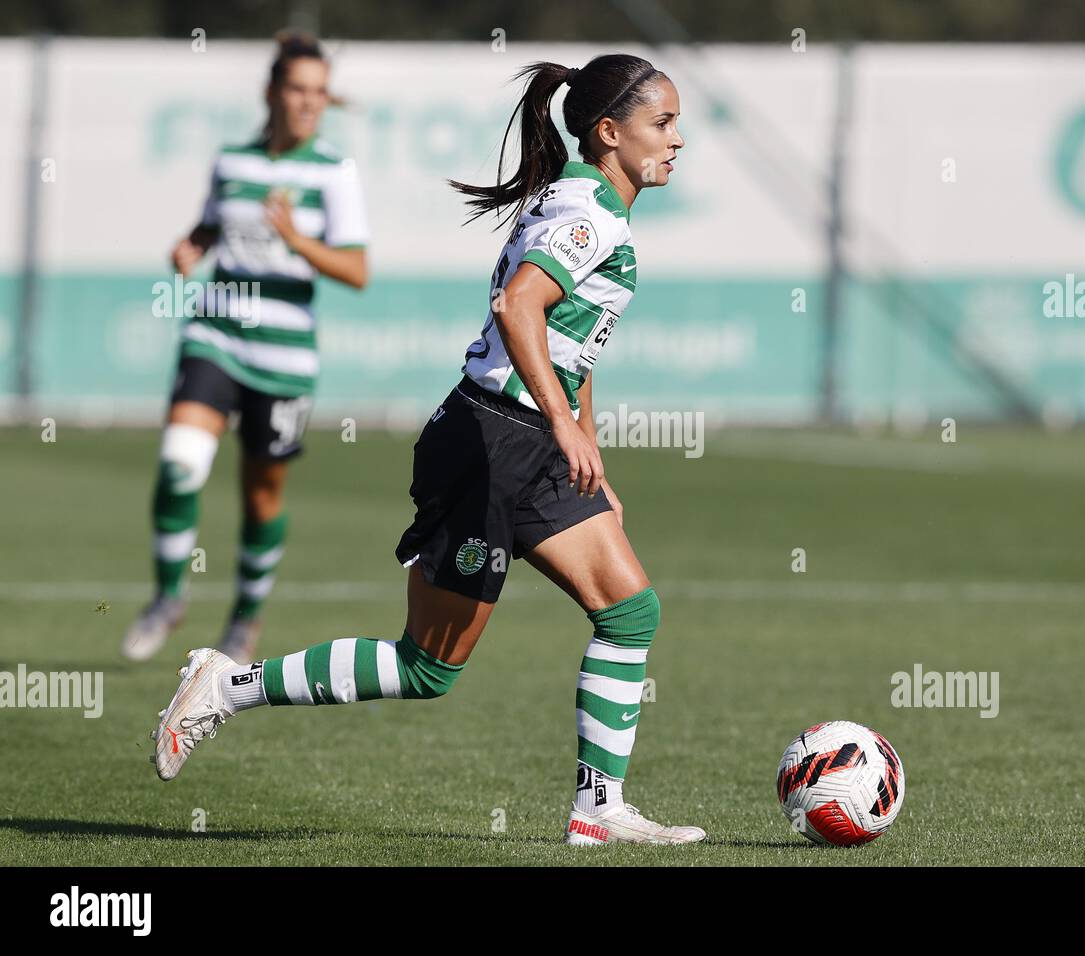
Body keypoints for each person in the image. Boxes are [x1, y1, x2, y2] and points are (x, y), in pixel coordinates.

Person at [149, 54, 699, 846]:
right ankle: (225, 685)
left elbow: (570, 346)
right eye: (663, 123)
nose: (678, 140)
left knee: (629, 611)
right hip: (488, 443)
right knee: (427, 669)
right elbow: (520, 308)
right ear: (609, 133)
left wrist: (591, 456)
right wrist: (565, 423)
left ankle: (599, 811)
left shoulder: (591, 205)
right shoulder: (591, 216)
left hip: (534, 444)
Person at [122, 32, 368, 665]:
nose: (309, 103)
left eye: (319, 92)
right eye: (297, 89)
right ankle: (169, 596)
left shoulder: (334, 172)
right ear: (271, 93)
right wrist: (189, 247)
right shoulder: (232, 160)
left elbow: (356, 270)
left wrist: (294, 238)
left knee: (261, 494)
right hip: (215, 335)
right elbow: (209, 225)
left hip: (285, 358)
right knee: (180, 461)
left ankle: (245, 618)